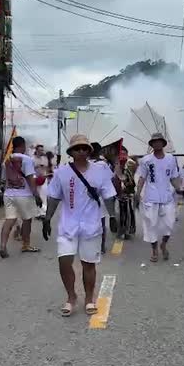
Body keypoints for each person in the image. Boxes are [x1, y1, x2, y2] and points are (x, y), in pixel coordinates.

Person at [43, 134, 117, 317]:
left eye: (85, 148)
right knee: (64, 261)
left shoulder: (100, 171)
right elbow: (53, 197)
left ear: (89, 151)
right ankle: (71, 297)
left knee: (88, 264)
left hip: (91, 225)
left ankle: (89, 298)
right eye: (77, 148)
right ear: (71, 152)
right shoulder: (62, 172)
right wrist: (47, 218)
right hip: (68, 225)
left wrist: (113, 216)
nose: (81, 151)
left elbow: (108, 195)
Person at [136, 132, 179, 263]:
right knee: (151, 225)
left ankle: (163, 244)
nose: (157, 144)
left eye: (159, 141)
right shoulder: (146, 160)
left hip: (167, 197)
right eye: (154, 142)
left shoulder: (171, 158)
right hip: (151, 198)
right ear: (152, 144)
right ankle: (154, 250)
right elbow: (142, 178)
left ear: (163, 143)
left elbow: (174, 177)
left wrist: (179, 189)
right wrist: (137, 194)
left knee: (169, 224)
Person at [0, 136, 42, 258]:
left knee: (9, 220)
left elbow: (4, 179)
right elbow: (30, 178)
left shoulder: (6, 160)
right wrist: (36, 194)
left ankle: (2, 245)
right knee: (27, 220)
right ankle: (26, 245)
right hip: (24, 195)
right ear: (22, 146)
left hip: (9, 194)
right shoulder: (27, 159)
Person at [34, 144, 50, 219]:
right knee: (37, 196)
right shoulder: (32, 159)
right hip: (35, 179)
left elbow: (46, 168)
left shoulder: (44, 158)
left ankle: (43, 213)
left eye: (42, 150)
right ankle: (37, 213)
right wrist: (37, 166)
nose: (41, 151)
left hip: (43, 178)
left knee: (44, 196)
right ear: (36, 150)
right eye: (40, 150)